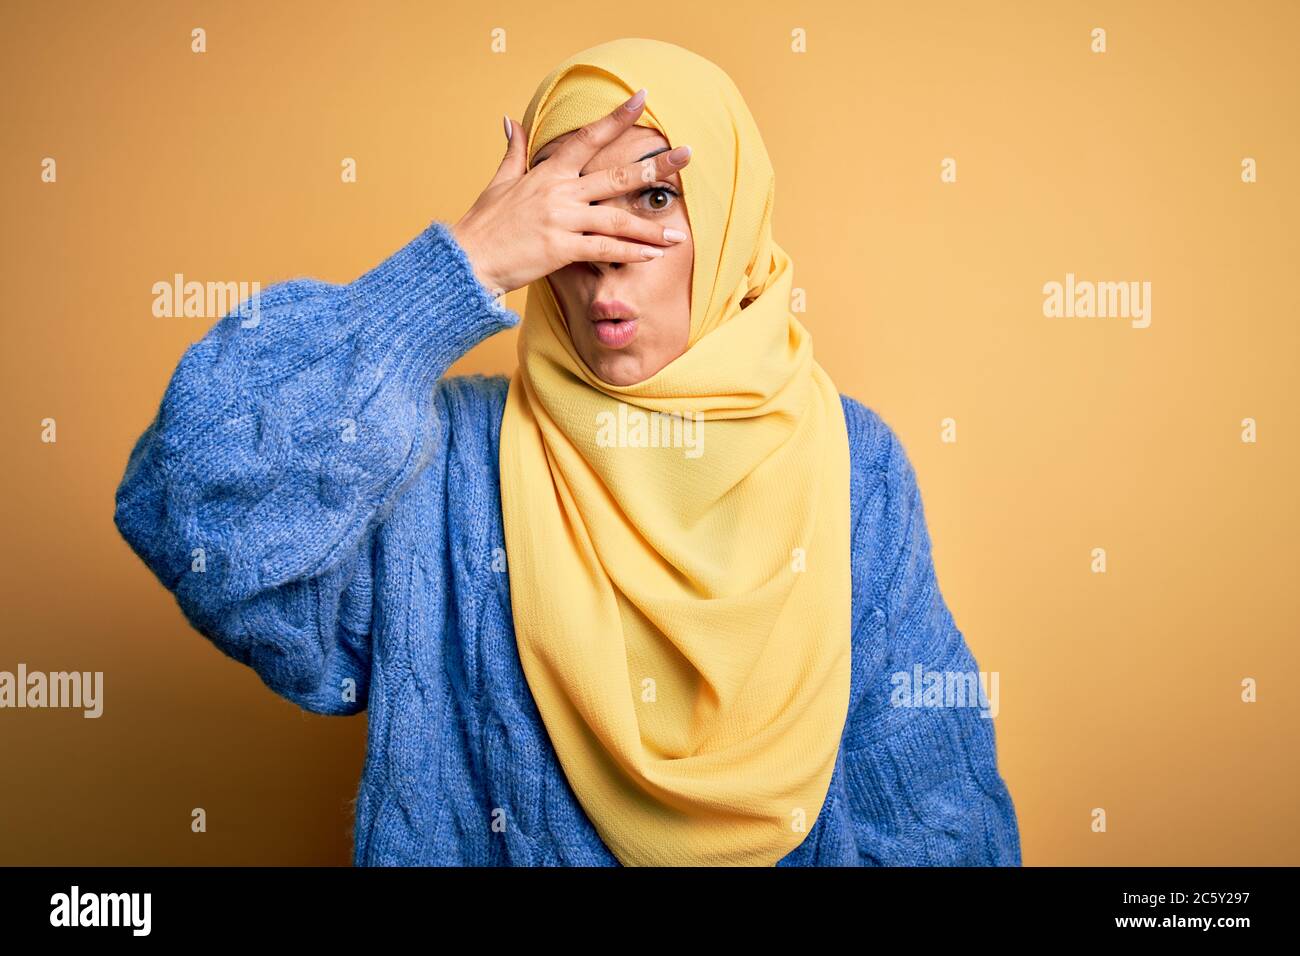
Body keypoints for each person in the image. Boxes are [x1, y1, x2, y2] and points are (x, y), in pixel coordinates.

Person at [113, 37, 1022, 866]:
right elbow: (190, 506)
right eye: (571, 203)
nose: (604, 251)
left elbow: (934, 816)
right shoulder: (443, 461)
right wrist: (458, 267)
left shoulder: (851, 463)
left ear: (734, 218)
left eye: (655, 197)